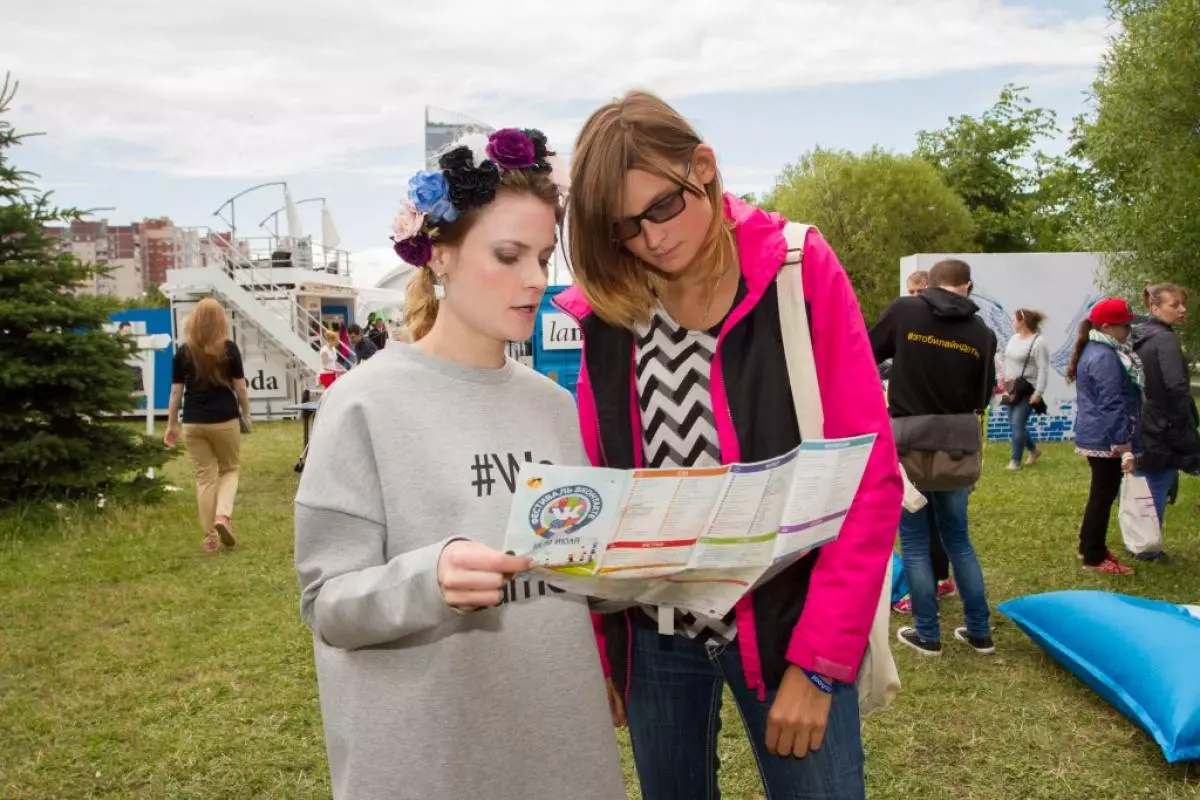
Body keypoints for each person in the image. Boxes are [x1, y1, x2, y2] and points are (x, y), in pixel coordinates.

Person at [560, 90, 901, 799]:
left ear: (704, 168)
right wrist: (609, 654)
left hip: (789, 627)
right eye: (624, 227)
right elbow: (602, 492)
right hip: (653, 634)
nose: (652, 238)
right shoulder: (606, 317)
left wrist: (818, 665)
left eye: (663, 206)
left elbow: (868, 479)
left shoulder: (797, 270)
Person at [294, 128, 625, 800]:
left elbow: (575, 570)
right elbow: (327, 604)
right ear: (439, 255)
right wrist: (426, 578)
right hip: (429, 759)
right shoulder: (363, 404)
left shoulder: (554, 406)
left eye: (541, 256)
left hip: (559, 747)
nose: (536, 279)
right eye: (508, 255)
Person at [870, 258, 997, 657]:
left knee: (915, 541)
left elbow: (867, 351)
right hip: (958, 442)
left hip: (907, 440)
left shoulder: (906, 310)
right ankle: (980, 632)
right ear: (968, 286)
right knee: (958, 539)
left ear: (931, 284)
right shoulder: (982, 332)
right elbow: (982, 395)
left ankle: (928, 634)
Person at [887, 269, 955, 613]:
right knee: (931, 514)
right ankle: (940, 578)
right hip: (935, 433)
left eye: (918, 291)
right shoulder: (913, 328)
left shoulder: (938, 331)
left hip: (927, 433)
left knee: (921, 518)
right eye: (909, 291)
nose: (913, 297)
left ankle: (925, 592)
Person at [164, 298, 250, 553]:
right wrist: (246, 414)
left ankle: (209, 537)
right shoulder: (229, 349)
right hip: (224, 419)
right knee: (230, 469)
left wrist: (171, 425)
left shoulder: (183, 352)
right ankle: (223, 516)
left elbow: (176, 393)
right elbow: (241, 388)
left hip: (193, 421)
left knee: (205, 476)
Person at [1067, 297, 1143, 576]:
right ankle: (1094, 555)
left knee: (1101, 492)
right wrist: (1124, 447)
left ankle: (1088, 545)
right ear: (1109, 327)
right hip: (1107, 437)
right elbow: (1111, 404)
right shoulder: (1105, 357)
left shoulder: (1096, 350)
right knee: (1103, 494)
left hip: (1098, 433)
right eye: (1125, 326)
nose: (1129, 330)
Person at [1131, 283, 1197, 557]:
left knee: (1147, 482)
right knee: (1156, 483)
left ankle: (1140, 541)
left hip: (1145, 421)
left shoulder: (1140, 336)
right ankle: (1147, 548)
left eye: (1183, 304)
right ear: (1155, 308)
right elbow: (1176, 387)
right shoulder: (1165, 340)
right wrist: (1185, 424)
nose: (1182, 310)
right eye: (1175, 305)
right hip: (1165, 424)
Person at [1001, 308, 1051, 471]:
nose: (1012, 323)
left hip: (1026, 388)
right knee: (1014, 424)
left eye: (1014, 320)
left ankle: (1015, 461)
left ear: (1022, 322)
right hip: (1010, 387)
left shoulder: (1038, 342)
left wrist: (1038, 393)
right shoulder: (1014, 339)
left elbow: (1043, 369)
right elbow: (1007, 361)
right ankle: (1034, 450)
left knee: (1017, 423)